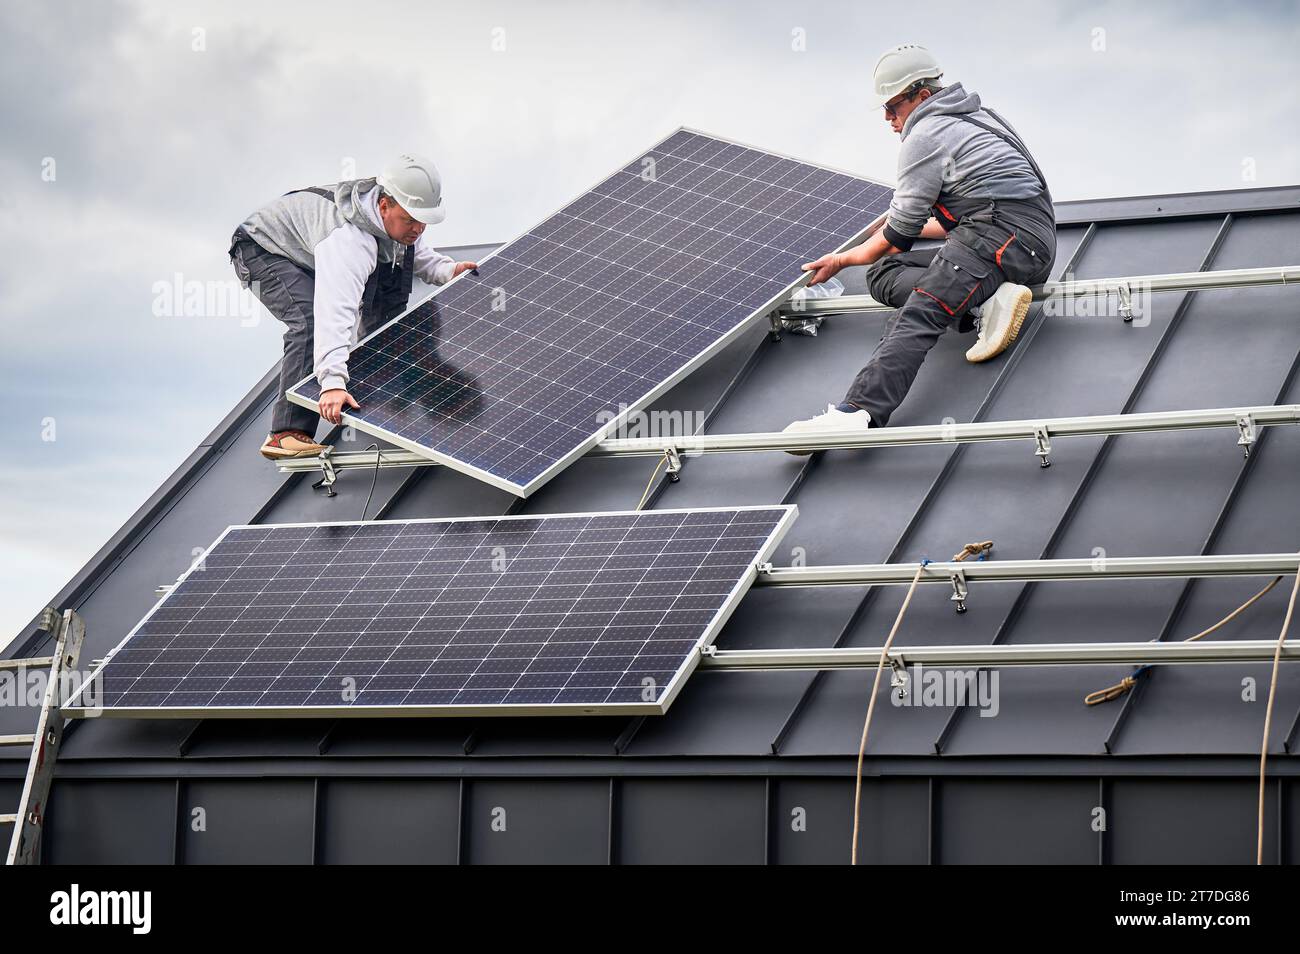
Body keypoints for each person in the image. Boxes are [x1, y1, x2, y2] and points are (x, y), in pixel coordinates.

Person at [784, 44, 1056, 445]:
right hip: (1026, 239)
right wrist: (877, 233)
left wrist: (842, 260)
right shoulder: (978, 117)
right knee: (883, 273)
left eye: (893, 106)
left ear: (922, 96)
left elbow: (900, 234)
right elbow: (946, 222)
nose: (888, 118)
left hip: (999, 237)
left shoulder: (926, 134)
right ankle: (983, 301)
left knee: (919, 313)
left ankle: (857, 412)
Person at [228, 153, 478, 459]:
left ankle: (374, 378)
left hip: (311, 248)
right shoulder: (349, 242)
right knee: (307, 321)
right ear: (384, 205)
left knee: (395, 274)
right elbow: (334, 312)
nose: (417, 228)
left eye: (423, 222)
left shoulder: (392, 220)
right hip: (263, 249)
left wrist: (448, 271)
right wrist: (332, 382)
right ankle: (286, 433)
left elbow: (418, 253)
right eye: (410, 219)